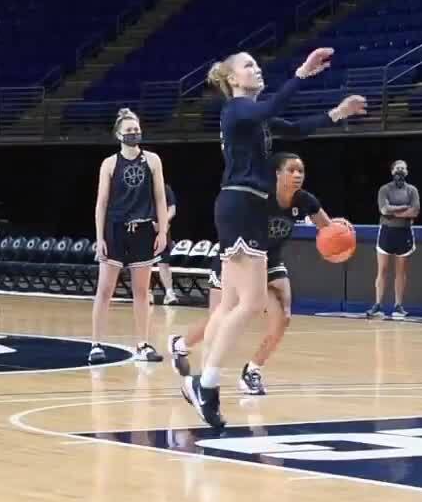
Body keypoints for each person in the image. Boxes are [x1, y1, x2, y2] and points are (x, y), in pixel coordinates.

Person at [183, 48, 366, 429]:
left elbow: (295, 130)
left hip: (245, 207)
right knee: (250, 304)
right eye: (248, 65)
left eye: (257, 63)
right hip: (241, 204)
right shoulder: (236, 111)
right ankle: (207, 383)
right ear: (233, 79)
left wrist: (337, 114)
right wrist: (301, 73)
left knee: (232, 303)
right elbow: (266, 111)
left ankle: (200, 375)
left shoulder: (254, 119)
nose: (257, 69)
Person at [171, 152, 345, 395]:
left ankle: (252, 370)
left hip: (271, 260)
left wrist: (339, 234)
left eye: (301, 171)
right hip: (237, 256)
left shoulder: (305, 200)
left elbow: (327, 228)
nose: (297, 175)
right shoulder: (258, 197)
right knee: (221, 318)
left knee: (283, 316)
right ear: (276, 173)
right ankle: (182, 345)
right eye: (291, 170)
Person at [88, 108, 169, 365]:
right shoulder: (109, 163)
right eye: (129, 131)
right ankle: (96, 344)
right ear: (119, 135)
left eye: (137, 130)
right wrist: (99, 237)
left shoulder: (153, 160)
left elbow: (160, 198)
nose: (134, 134)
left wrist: (163, 231)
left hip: (143, 230)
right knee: (105, 290)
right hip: (114, 229)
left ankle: (142, 345)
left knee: (142, 291)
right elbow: (101, 204)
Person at [368, 160, 419, 319]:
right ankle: (378, 305)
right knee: (382, 270)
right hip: (386, 232)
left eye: (403, 168)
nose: (400, 171)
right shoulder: (384, 189)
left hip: (404, 233)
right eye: (398, 168)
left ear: (407, 172)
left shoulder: (412, 190)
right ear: (392, 171)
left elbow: (415, 211)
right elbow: (383, 209)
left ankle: (398, 306)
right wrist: (404, 208)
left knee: (400, 272)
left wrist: (393, 213)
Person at [156, 183, 180, 306]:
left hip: (162, 230)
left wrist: (162, 223)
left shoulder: (165, 188)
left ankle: (169, 293)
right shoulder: (141, 188)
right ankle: (146, 292)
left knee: (164, 263)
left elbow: (172, 209)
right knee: (144, 263)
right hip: (143, 229)